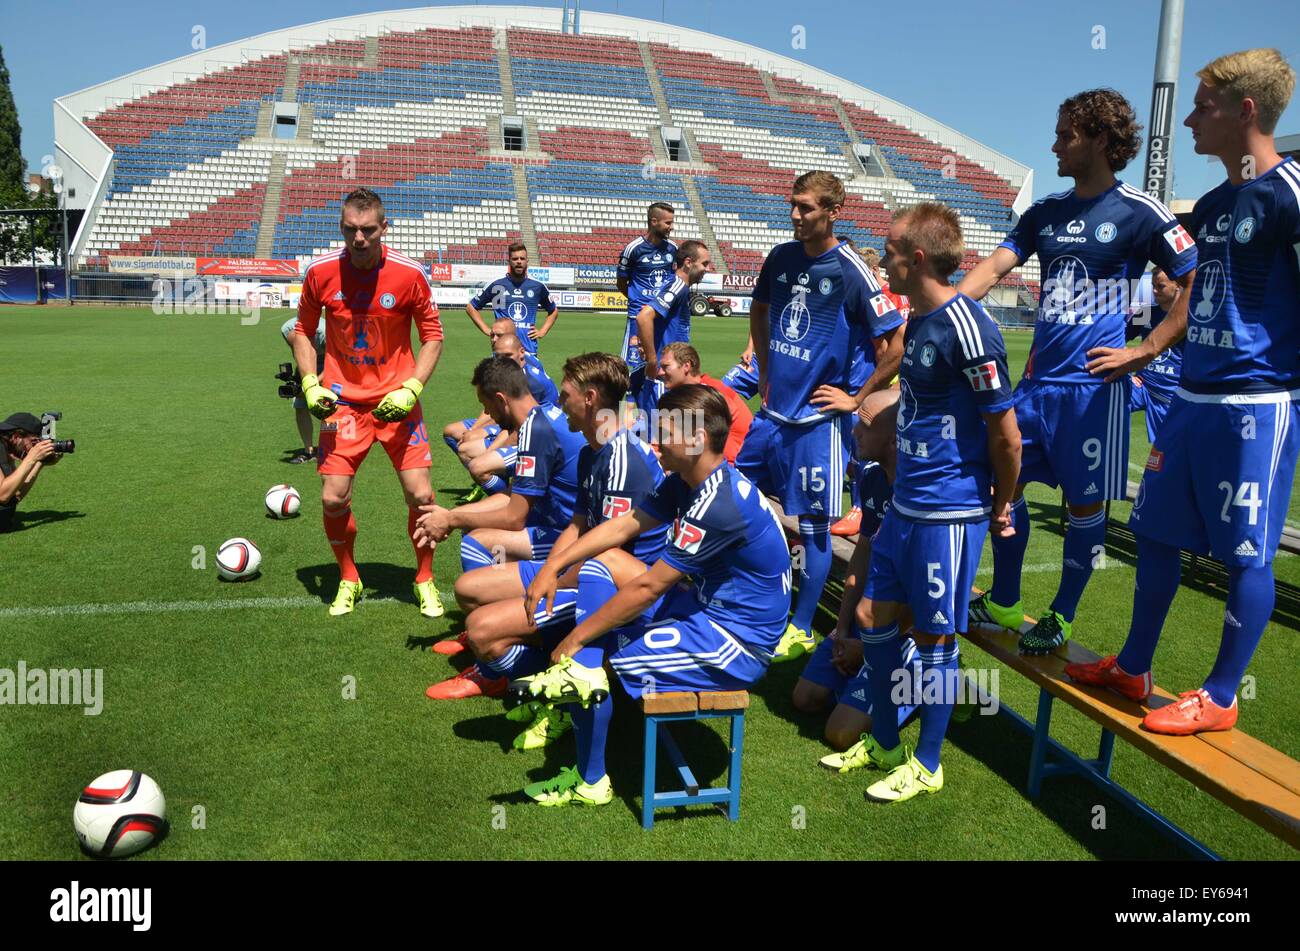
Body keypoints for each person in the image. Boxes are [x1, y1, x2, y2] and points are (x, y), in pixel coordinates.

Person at [1067, 48, 1300, 736]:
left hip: (1254, 404)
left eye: (1204, 107)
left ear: (1245, 111)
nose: (1191, 120)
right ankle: (1135, 665)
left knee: (1246, 553)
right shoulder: (1217, 203)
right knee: (1155, 530)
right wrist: (1148, 349)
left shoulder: (1290, 192)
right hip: (1191, 399)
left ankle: (1222, 695)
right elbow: (1194, 296)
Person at [957, 88, 1197, 655]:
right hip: (1036, 388)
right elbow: (991, 269)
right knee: (1003, 484)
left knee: (1084, 507)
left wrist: (1145, 351)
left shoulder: (1140, 211)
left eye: (1065, 135)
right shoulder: (1045, 213)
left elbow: (1196, 281)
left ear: (1099, 139)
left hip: (1095, 393)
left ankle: (1062, 615)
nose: (1054, 146)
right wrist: (942, 312)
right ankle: (1006, 599)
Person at [512, 384, 793, 807]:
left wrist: (576, 639)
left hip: (736, 644)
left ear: (697, 439)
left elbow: (649, 588)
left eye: (666, 432)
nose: (656, 442)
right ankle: (579, 691)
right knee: (602, 564)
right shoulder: (688, 481)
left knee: (596, 657)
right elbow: (625, 525)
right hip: (705, 608)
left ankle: (590, 779)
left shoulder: (718, 503)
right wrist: (554, 565)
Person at [854, 202, 1021, 804]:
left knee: (935, 640)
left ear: (917, 258)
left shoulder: (969, 329)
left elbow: (1006, 435)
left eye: (890, 251)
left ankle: (927, 763)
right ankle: (884, 741)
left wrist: (1001, 506)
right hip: (906, 505)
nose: (882, 260)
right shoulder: (920, 320)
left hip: (949, 510)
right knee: (872, 618)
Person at [424, 354, 668, 755]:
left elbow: (607, 556)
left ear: (589, 398)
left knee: (483, 630)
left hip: (619, 595)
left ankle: (558, 693)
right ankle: (544, 672)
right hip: (586, 571)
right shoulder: (593, 451)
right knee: (474, 593)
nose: (558, 400)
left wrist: (550, 577)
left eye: (566, 393)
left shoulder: (624, 460)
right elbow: (577, 526)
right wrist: (547, 571)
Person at [740, 170, 905, 663]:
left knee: (814, 526)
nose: (795, 215)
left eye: (806, 207)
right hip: (772, 414)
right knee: (731, 490)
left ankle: (801, 627)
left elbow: (896, 344)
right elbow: (759, 310)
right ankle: (743, 587)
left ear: (834, 212)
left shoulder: (851, 268)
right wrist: (765, 369)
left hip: (818, 424)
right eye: (793, 204)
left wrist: (857, 399)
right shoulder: (781, 257)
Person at [292, 186, 445, 618]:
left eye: (368, 230)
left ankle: (424, 578)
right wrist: (310, 383)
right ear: (341, 227)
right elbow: (303, 331)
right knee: (332, 499)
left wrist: (412, 388)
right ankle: (349, 577)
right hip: (341, 405)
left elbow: (433, 336)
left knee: (421, 494)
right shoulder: (320, 272)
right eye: (350, 230)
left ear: (384, 228)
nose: (359, 238)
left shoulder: (409, 274)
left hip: (398, 402)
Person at [415, 355, 586, 699]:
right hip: (556, 530)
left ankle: (501, 666)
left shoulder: (537, 429)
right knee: (476, 541)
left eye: (486, 405)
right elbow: (512, 499)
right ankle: (502, 630)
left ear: (501, 399)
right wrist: (454, 514)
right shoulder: (541, 419)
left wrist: (451, 518)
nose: (487, 415)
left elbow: (513, 517)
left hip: (567, 542)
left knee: (473, 577)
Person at [791, 390, 924, 758]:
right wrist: (842, 628)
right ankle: (863, 681)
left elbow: (925, 595)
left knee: (840, 734)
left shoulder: (923, 498)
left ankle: (927, 680)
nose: (854, 432)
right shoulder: (872, 477)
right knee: (805, 699)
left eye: (864, 426)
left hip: (907, 628)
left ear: (894, 439)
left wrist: (868, 648)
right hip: (868, 620)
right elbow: (862, 557)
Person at [831, 245, 912, 538]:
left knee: (869, 439)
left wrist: (880, 384)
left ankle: (861, 507)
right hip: (893, 376)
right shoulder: (896, 294)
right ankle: (869, 508)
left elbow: (885, 345)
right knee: (873, 443)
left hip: (883, 378)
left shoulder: (888, 295)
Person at [450, 328, 560, 501]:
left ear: (521, 352)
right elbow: (501, 412)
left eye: (508, 355)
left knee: (479, 465)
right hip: (520, 427)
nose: (503, 361)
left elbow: (524, 427)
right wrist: (475, 430)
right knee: (457, 437)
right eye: (498, 356)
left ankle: (509, 497)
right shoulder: (506, 376)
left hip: (540, 437)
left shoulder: (532, 380)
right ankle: (502, 489)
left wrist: (490, 454)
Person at [629, 240, 712, 411]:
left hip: (667, 374)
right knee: (665, 427)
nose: (708, 269)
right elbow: (643, 317)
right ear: (688, 263)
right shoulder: (677, 286)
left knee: (662, 425)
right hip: (663, 376)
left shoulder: (680, 287)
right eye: (704, 264)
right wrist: (653, 360)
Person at [618, 202, 678, 402]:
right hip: (638, 317)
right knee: (632, 366)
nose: (671, 227)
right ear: (654, 221)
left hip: (663, 317)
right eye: (667, 223)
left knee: (664, 363)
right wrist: (638, 301)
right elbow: (621, 282)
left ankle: (661, 407)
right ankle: (628, 411)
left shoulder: (673, 249)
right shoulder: (633, 249)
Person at [658, 341, 752, 464]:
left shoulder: (711, 396)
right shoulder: (690, 394)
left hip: (733, 465)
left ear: (686, 366)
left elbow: (725, 454)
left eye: (666, 367)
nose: (660, 372)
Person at [465, 243, 559, 354]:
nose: (519, 261)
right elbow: (471, 307)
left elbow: (553, 311)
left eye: (522, 258)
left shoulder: (537, 286)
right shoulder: (497, 285)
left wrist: (542, 331)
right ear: (509, 261)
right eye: (515, 259)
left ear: (527, 261)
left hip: (528, 350)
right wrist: (487, 330)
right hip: (502, 350)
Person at [1126, 267, 1183, 443]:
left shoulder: (1189, 319)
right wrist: (1127, 374)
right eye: (1153, 285)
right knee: (1106, 396)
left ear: (1178, 285)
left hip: (1169, 395)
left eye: (1160, 286)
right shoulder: (1146, 312)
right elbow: (1118, 338)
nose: (1154, 290)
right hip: (1141, 386)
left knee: (1165, 450)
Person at [0, 413, 61, 533]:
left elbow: (14, 495)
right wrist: (31, 458)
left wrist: (40, 462)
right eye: (33, 442)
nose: (32, 448)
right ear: (17, 436)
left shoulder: (5, 448)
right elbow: (2, 496)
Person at [280, 315, 326, 464]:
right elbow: (298, 356)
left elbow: (335, 363)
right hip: (304, 362)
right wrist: (297, 382)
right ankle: (308, 451)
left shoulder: (325, 332)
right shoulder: (286, 329)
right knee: (300, 406)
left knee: (327, 407)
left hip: (328, 360)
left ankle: (330, 449)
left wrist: (313, 383)